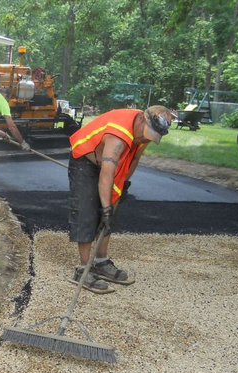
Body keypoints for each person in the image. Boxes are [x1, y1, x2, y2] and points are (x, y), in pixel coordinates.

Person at [67, 105, 173, 294]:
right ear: (141, 119)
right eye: (146, 134)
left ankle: (101, 262)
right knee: (87, 209)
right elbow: (106, 175)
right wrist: (106, 208)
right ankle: (83, 269)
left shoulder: (144, 132)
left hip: (113, 162)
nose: (144, 139)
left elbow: (134, 159)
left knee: (111, 212)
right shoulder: (118, 136)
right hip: (86, 159)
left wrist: (123, 184)